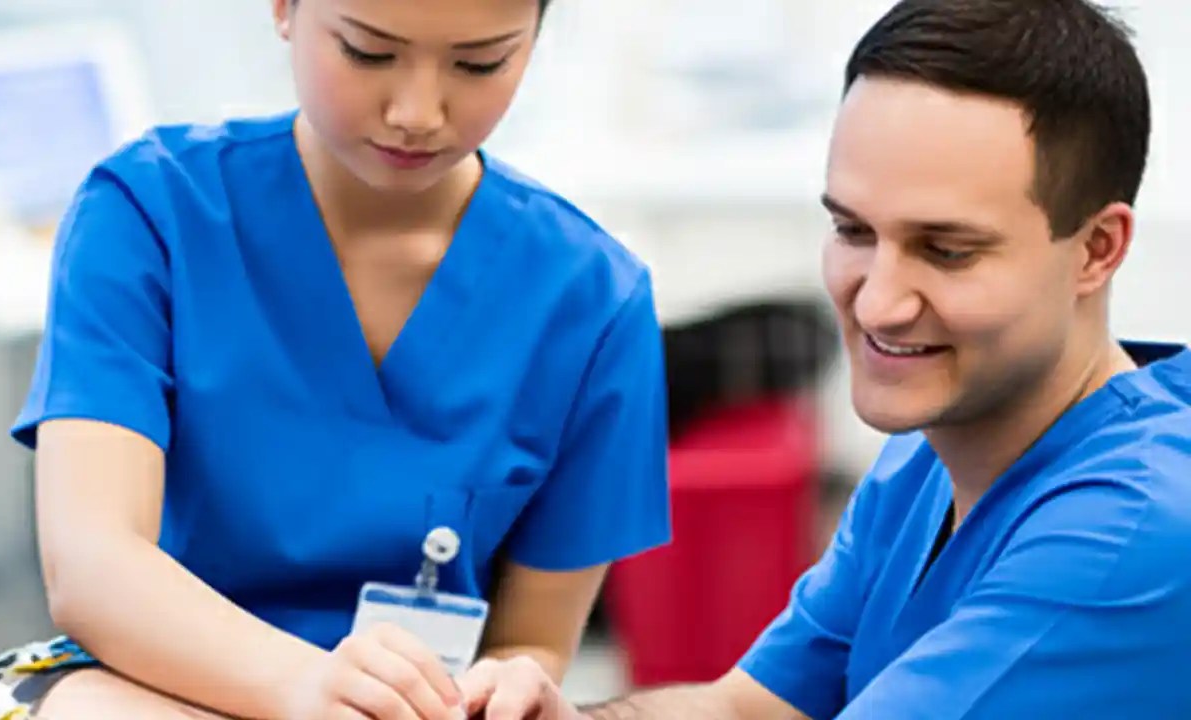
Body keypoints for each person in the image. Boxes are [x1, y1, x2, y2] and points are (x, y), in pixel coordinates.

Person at [0, 0, 671, 718]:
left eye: (479, 65)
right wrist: (306, 689)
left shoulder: (593, 300)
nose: (417, 112)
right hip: (144, 689)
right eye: (368, 52)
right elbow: (92, 566)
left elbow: (532, 641)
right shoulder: (151, 212)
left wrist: (509, 685)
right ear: (284, 8)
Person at [459, 0, 1191, 718]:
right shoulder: (932, 455)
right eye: (853, 231)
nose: (877, 305)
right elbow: (751, 708)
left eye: (947, 251)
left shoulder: (1129, 534)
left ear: (1097, 249)